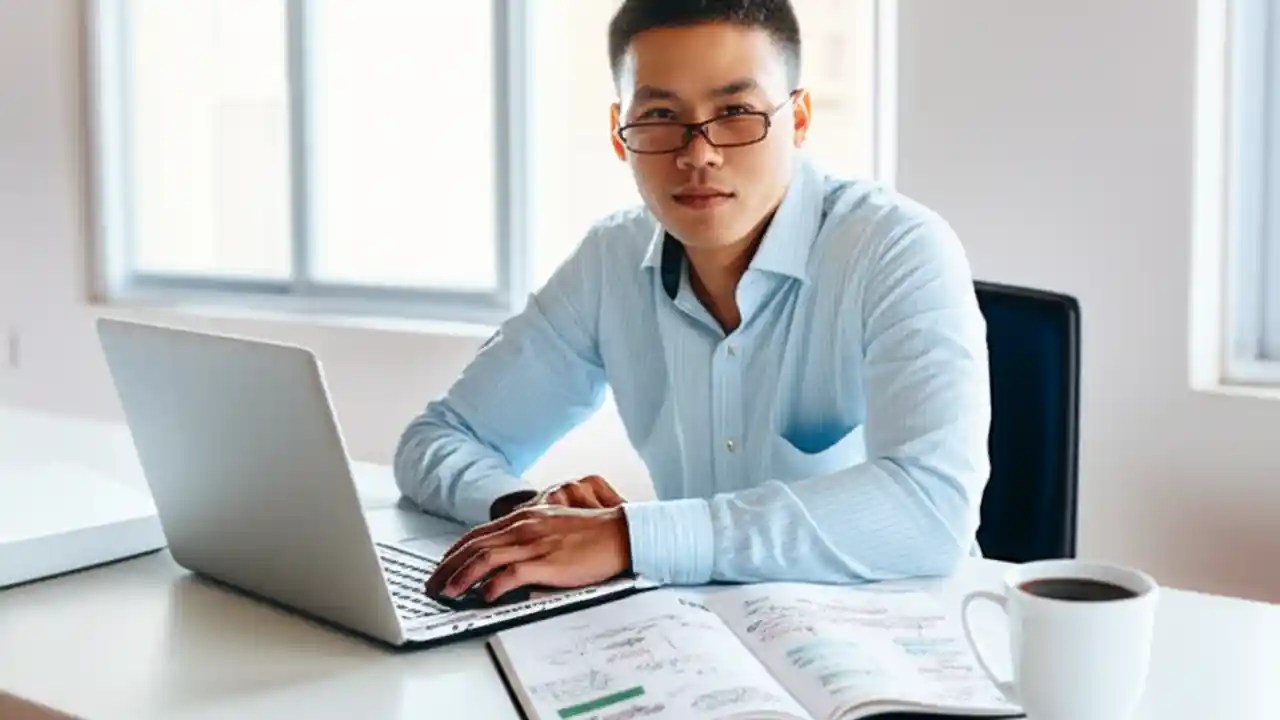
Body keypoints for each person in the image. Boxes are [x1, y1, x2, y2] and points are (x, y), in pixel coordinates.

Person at [395, 0, 991, 604]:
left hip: (894, 640)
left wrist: (631, 538)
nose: (698, 153)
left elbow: (929, 509)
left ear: (800, 119)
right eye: (660, 115)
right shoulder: (611, 259)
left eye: (736, 112)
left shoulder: (898, 248)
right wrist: (528, 517)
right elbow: (440, 439)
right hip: (700, 638)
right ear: (618, 135)